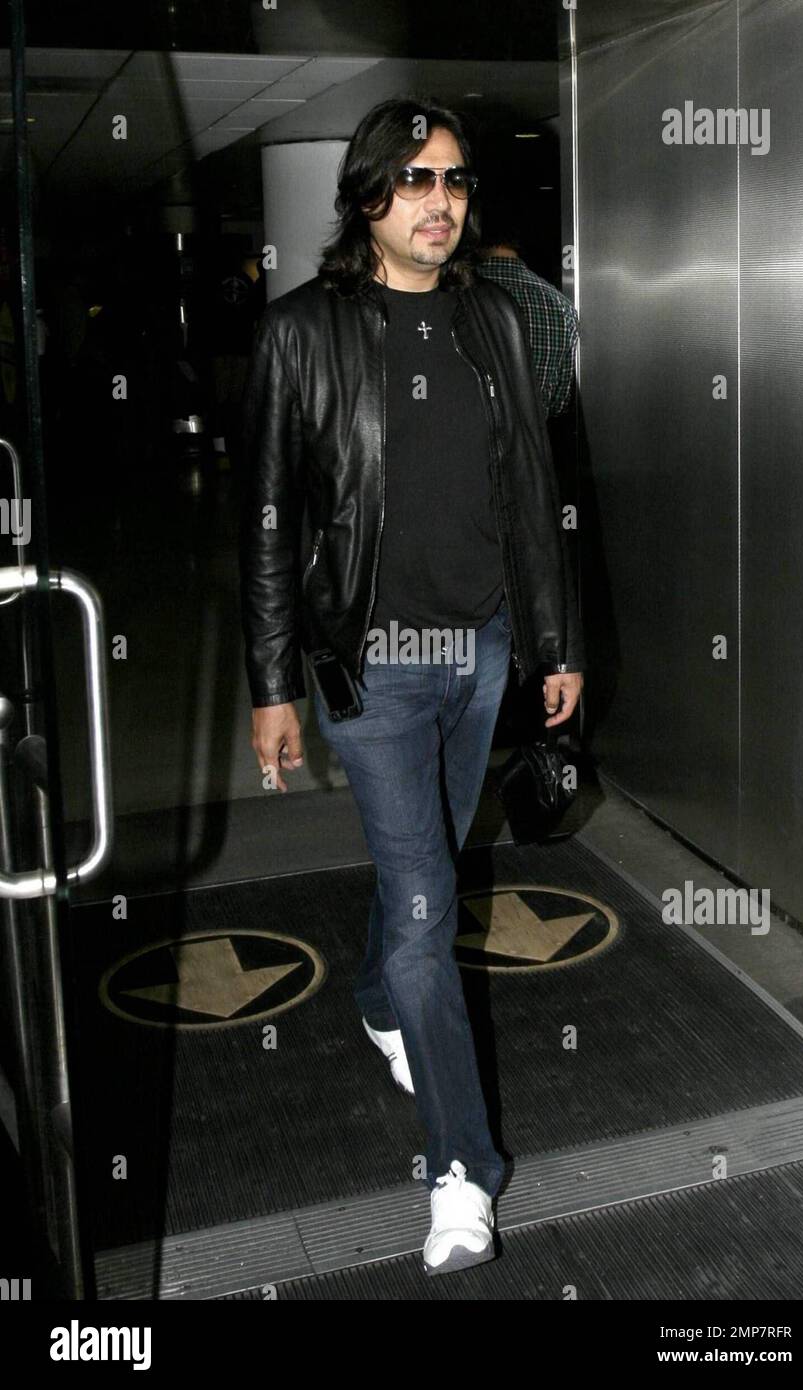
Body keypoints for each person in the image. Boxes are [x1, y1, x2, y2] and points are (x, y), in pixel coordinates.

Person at [239, 95, 584, 1277]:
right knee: (429, 905)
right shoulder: (301, 334)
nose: (441, 202)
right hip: (374, 667)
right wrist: (271, 681)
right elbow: (270, 524)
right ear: (368, 196)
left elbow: (533, 498)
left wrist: (555, 638)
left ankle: (382, 1005)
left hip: (481, 649)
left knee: (423, 867)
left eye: (455, 181)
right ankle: (459, 1174)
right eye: (417, 181)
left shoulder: (492, 322)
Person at [476, 207, 580, 418]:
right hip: (533, 444)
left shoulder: (457, 294)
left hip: (465, 441)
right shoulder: (561, 306)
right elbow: (561, 402)